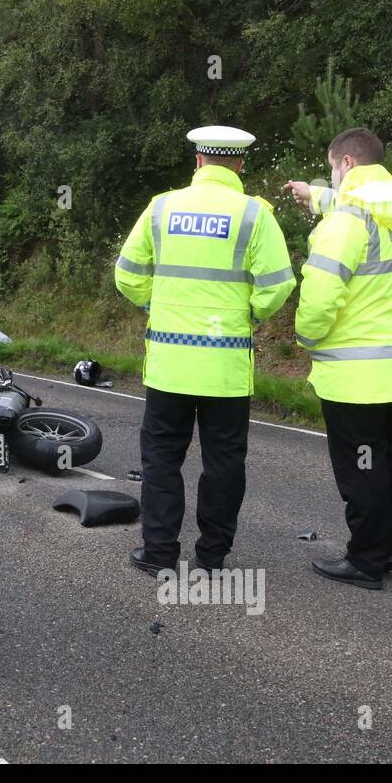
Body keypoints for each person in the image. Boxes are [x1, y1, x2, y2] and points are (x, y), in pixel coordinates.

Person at [116, 126, 296, 575]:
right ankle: (211, 558)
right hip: (225, 368)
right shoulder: (255, 215)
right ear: (239, 165)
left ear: (198, 162)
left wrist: (155, 305)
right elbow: (279, 284)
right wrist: (249, 316)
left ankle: (158, 554)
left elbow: (127, 274)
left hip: (169, 366)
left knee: (161, 460)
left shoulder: (161, 207)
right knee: (224, 465)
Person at [284, 128, 392, 590]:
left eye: (332, 167)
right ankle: (387, 549)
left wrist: (306, 337)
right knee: (388, 457)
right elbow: (359, 209)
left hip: (355, 372)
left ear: (346, 163)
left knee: (361, 466)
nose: (332, 175)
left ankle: (365, 559)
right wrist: (315, 195)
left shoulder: (345, 223)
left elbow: (321, 296)